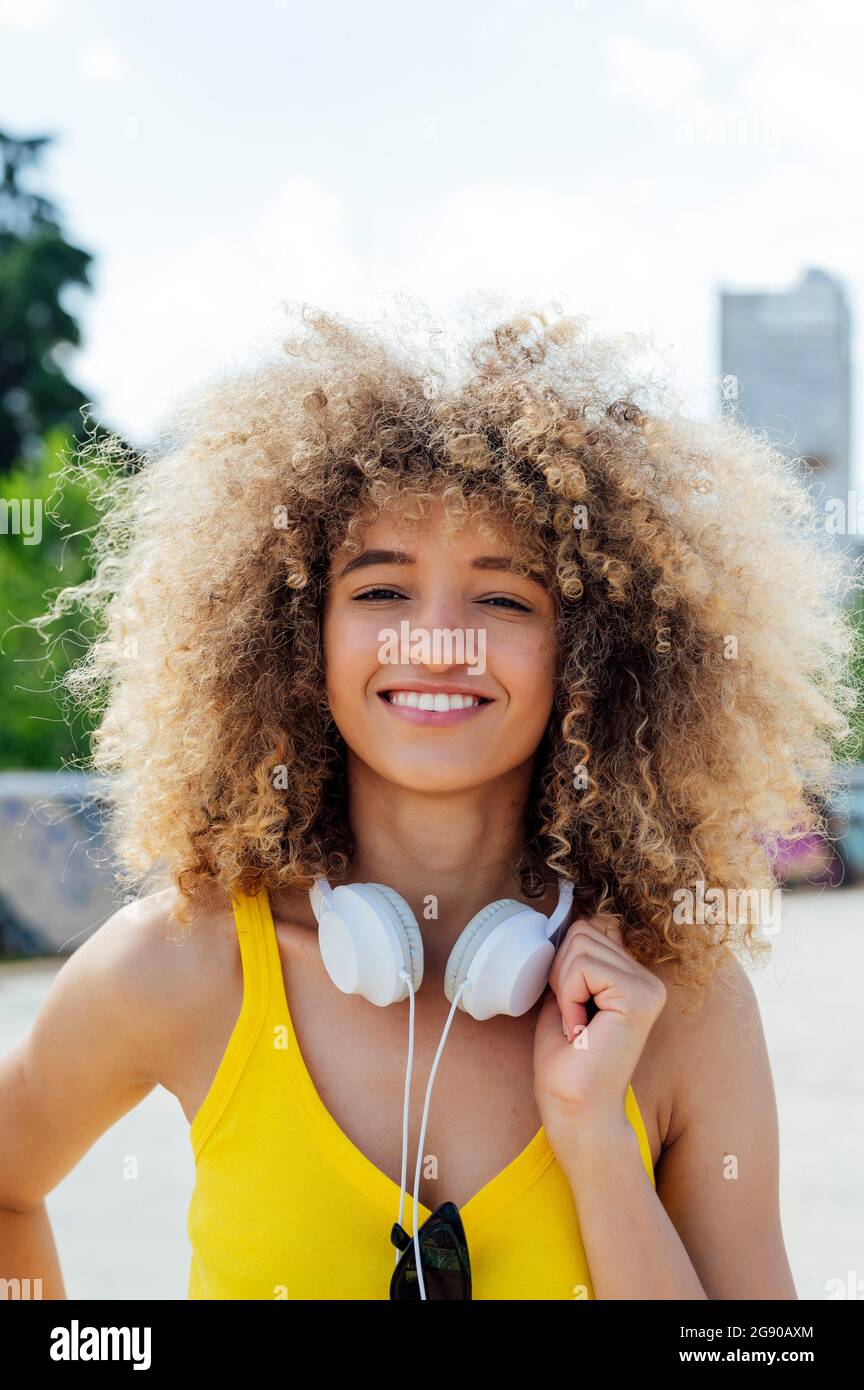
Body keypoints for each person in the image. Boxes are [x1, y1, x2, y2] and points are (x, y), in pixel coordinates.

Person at [0, 304, 855, 1299]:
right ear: (293, 636)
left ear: (591, 656)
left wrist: (596, 1142)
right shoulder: (185, 961)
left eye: (503, 598)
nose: (438, 640)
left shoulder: (681, 1011)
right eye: (379, 591)